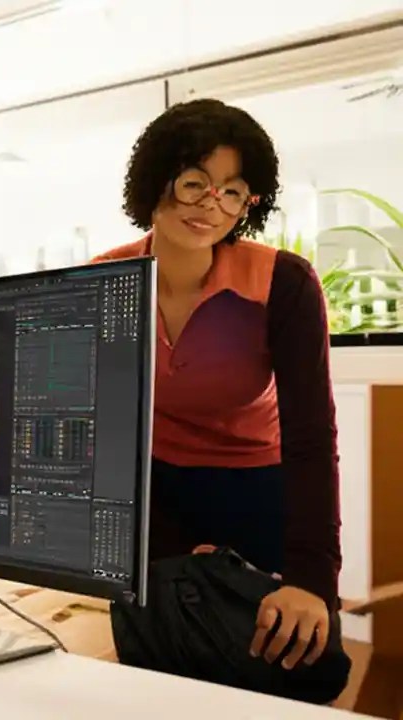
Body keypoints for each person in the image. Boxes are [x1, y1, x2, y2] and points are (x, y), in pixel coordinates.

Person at [92, 98, 341, 671]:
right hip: (153, 490)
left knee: (277, 660)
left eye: (232, 191)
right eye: (194, 183)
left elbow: (311, 440)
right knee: (157, 662)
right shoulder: (108, 278)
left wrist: (312, 580)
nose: (212, 205)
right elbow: (98, 425)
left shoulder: (285, 284)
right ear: (158, 181)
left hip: (258, 486)